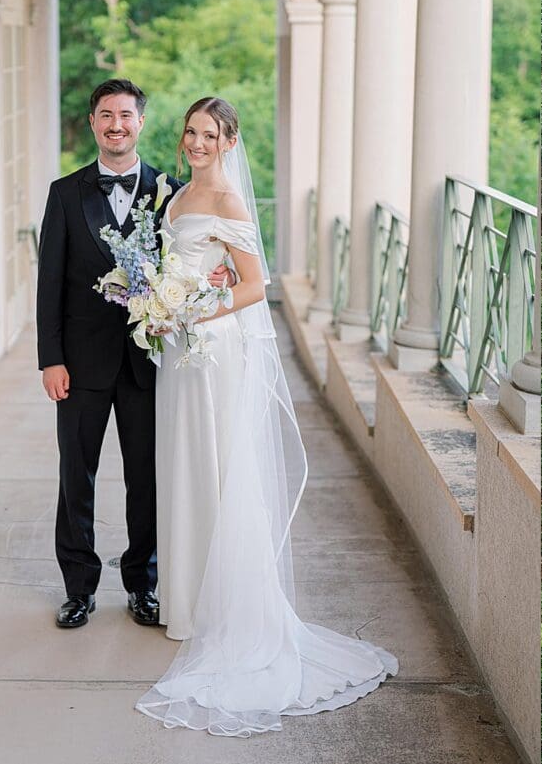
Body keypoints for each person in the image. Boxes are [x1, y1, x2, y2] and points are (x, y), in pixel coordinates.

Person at [135, 96, 396, 736]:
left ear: (229, 142)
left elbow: (254, 285)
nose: (197, 143)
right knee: (183, 465)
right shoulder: (175, 198)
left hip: (212, 348)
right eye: (191, 132)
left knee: (219, 466)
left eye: (210, 135)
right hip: (177, 351)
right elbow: (177, 267)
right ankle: (188, 604)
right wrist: (156, 304)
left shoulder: (227, 201)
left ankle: (225, 609)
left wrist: (192, 310)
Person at [36, 79, 222, 630]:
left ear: (141, 122)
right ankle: (78, 588)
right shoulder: (64, 193)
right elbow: (48, 284)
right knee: (77, 477)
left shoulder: (170, 193)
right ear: (93, 122)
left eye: (126, 116)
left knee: (148, 480)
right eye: (105, 115)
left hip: (149, 363)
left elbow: (194, 260)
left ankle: (144, 585)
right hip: (79, 365)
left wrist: (216, 277)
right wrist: (51, 359)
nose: (116, 125)